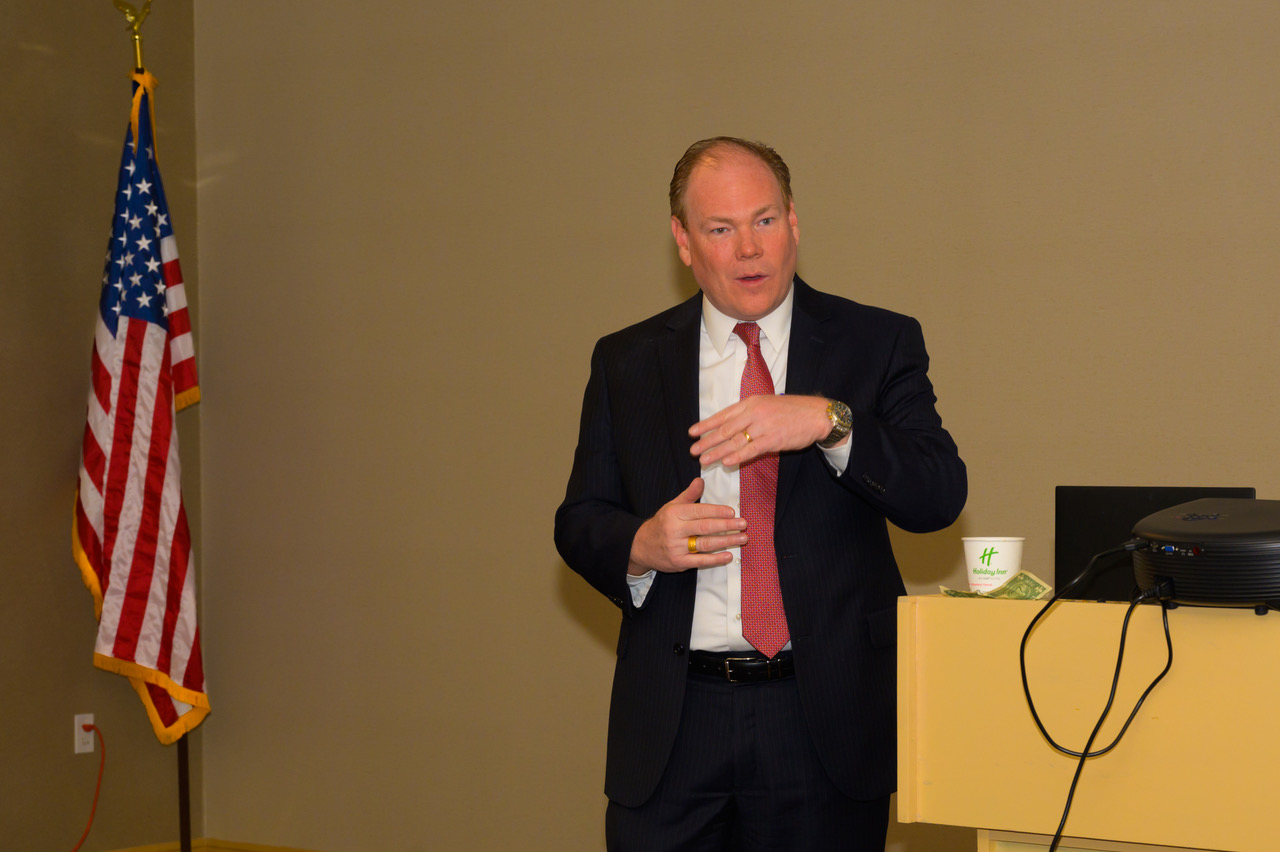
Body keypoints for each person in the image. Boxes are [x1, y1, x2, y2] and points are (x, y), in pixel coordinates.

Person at [554, 136, 967, 851]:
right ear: (684, 242)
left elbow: (938, 494)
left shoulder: (877, 342)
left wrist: (827, 421)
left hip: (820, 718)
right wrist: (640, 547)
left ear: (794, 223)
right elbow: (580, 519)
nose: (749, 249)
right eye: (721, 229)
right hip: (676, 721)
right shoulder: (627, 359)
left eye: (765, 221)